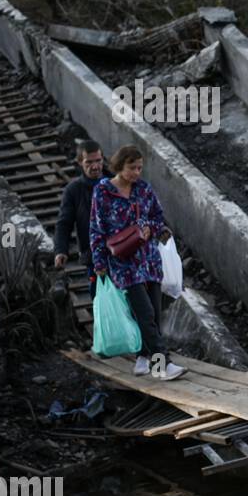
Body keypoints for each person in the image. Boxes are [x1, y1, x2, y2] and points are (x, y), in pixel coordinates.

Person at [89, 144, 186, 380]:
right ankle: (162, 363)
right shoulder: (103, 191)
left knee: (153, 311)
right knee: (143, 311)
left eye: (140, 168)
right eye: (132, 168)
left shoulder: (143, 189)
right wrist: (99, 262)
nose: (136, 173)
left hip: (148, 258)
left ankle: (143, 357)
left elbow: (157, 216)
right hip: (123, 261)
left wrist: (148, 230)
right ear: (119, 166)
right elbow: (96, 228)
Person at [53, 140, 111, 295]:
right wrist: (61, 250)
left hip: (121, 252)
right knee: (99, 297)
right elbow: (64, 223)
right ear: (80, 162)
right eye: (89, 162)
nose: (95, 166)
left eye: (98, 161)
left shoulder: (116, 183)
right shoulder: (74, 190)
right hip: (93, 255)